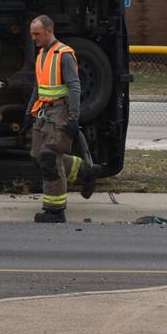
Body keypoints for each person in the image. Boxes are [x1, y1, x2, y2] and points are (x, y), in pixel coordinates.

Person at [22, 15, 104, 223]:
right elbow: (38, 87)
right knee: (37, 156)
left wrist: (74, 117)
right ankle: (86, 171)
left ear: (49, 30)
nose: (34, 38)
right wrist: (28, 112)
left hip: (60, 112)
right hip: (43, 112)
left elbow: (75, 87)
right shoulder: (41, 55)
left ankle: (55, 211)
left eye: (37, 34)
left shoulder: (64, 55)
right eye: (32, 34)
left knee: (50, 157)